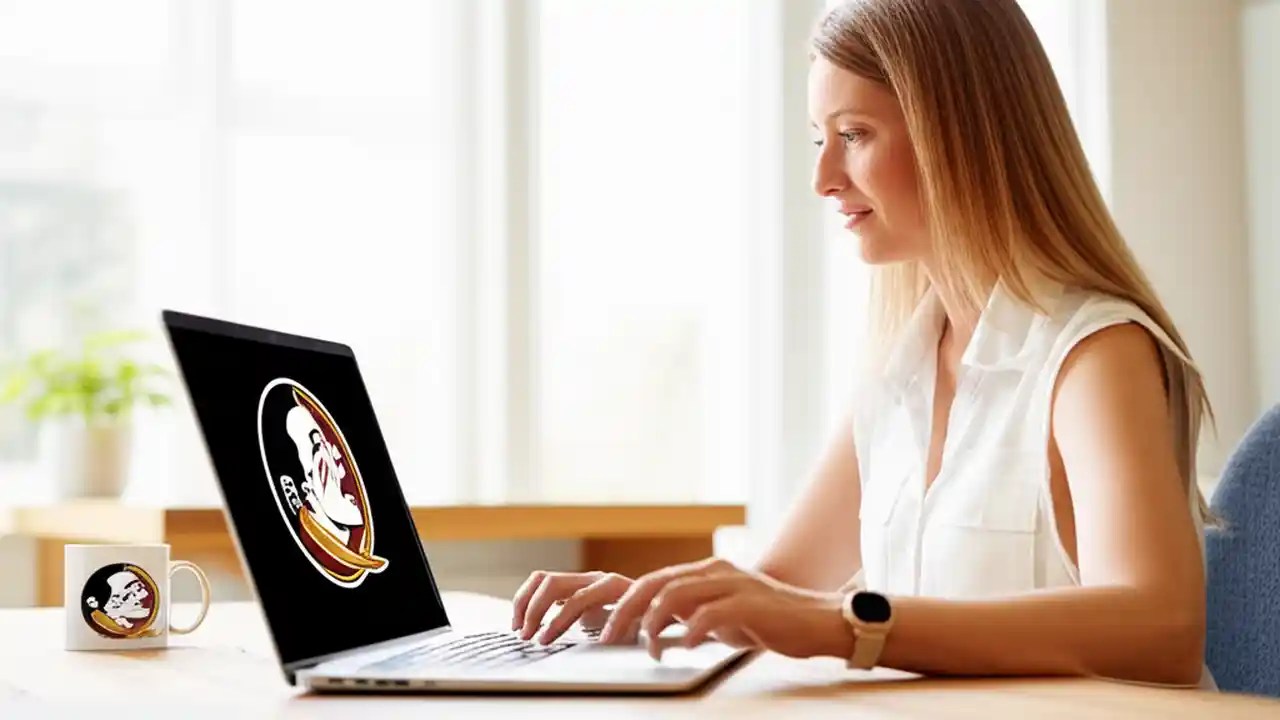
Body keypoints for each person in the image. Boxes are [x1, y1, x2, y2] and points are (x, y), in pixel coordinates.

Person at [510, 0, 1214, 688]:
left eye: (854, 135)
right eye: (820, 138)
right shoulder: (901, 366)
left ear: (960, 135)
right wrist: (643, 603)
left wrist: (847, 627)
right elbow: (780, 588)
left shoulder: (1095, 354)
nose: (823, 179)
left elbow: (1159, 629)